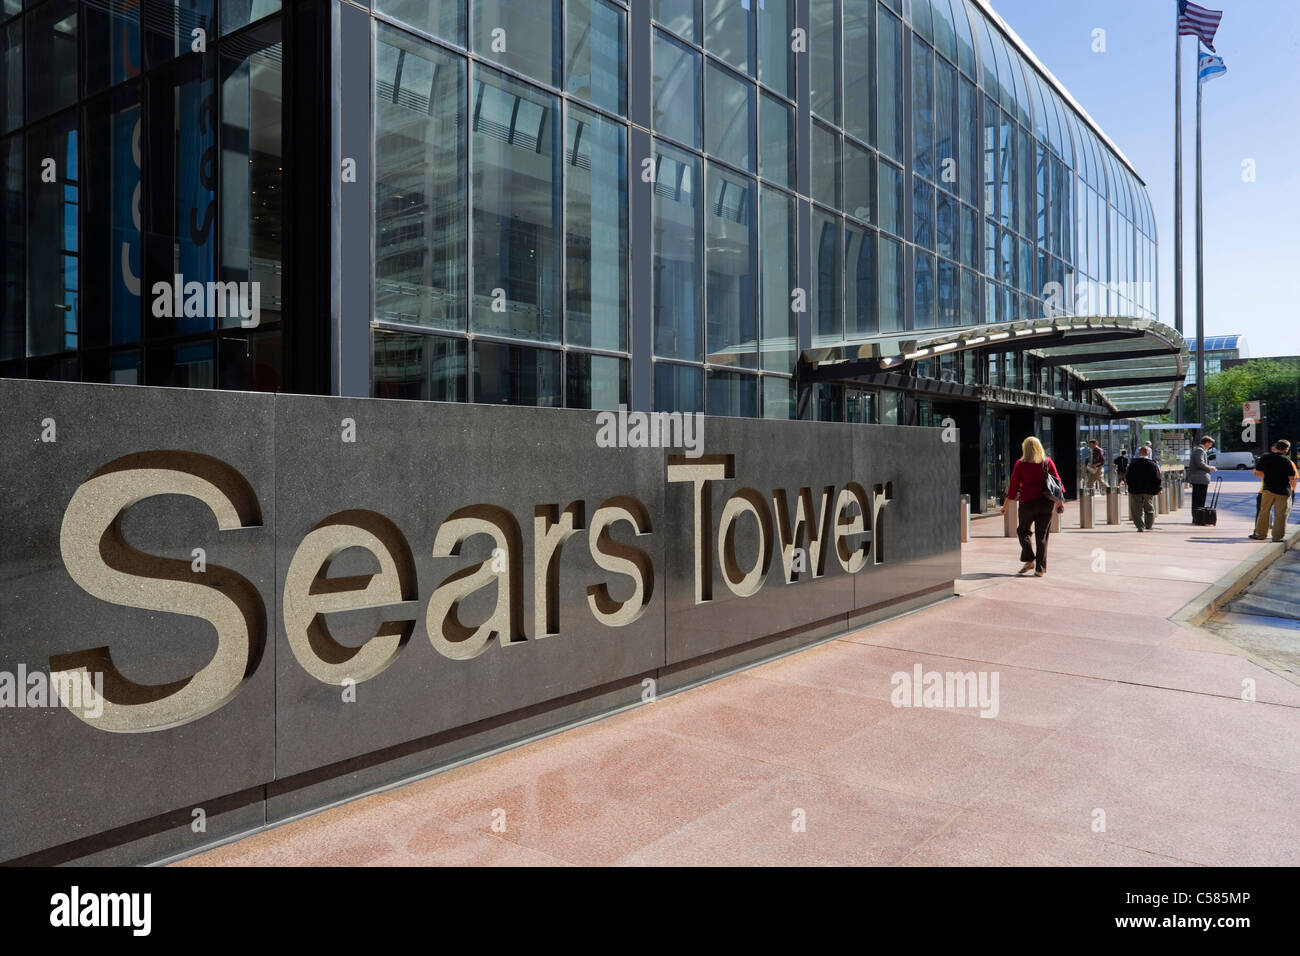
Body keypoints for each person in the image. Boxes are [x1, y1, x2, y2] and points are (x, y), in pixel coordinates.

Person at [1001, 436, 1065, 578]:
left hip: (1027, 503)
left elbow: (1013, 488)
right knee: (1042, 535)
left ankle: (1029, 558)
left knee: (1023, 531)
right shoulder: (1047, 462)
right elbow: (1057, 482)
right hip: (1046, 502)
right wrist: (1059, 502)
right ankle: (1040, 569)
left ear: (1025, 448)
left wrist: (1005, 506)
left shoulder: (1020, 464)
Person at [1250, 440, 1298, 542]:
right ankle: (1277, 537)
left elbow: (1257, 472)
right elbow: (1292, 476)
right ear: (1286, 449)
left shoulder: (1265, 458)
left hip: (1267, 489)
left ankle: (1260, 534)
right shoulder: (1286, 461)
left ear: (1276, 447)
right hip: (1283, 491)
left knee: (1264, 512)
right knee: (1280, 515)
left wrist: (1268, 474)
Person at [1125, 445, 1162, 532]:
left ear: (1140, 453)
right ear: (1148, 453)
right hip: (1148, 490)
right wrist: (1159, 489)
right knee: (1149, 508)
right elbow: (1157, 478)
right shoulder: (1153, 464)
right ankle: (1149, 525)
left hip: (1136, 490)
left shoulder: (1133, 464)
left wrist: (1129, 485)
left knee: (1136, 510)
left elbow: (1128, 476)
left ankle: (1140, 526)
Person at [1188, 435, 1218, 512]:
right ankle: (1198, 516)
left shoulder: (1199, 450)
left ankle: (1198, 516)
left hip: (1199, 479)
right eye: (1210, 444)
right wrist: (1210, 467)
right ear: (1207, 443)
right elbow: (1200, 463)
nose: (1210, 446)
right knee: (1199, 499)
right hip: (1199, 479)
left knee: (1198, 499)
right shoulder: (1200, 450)